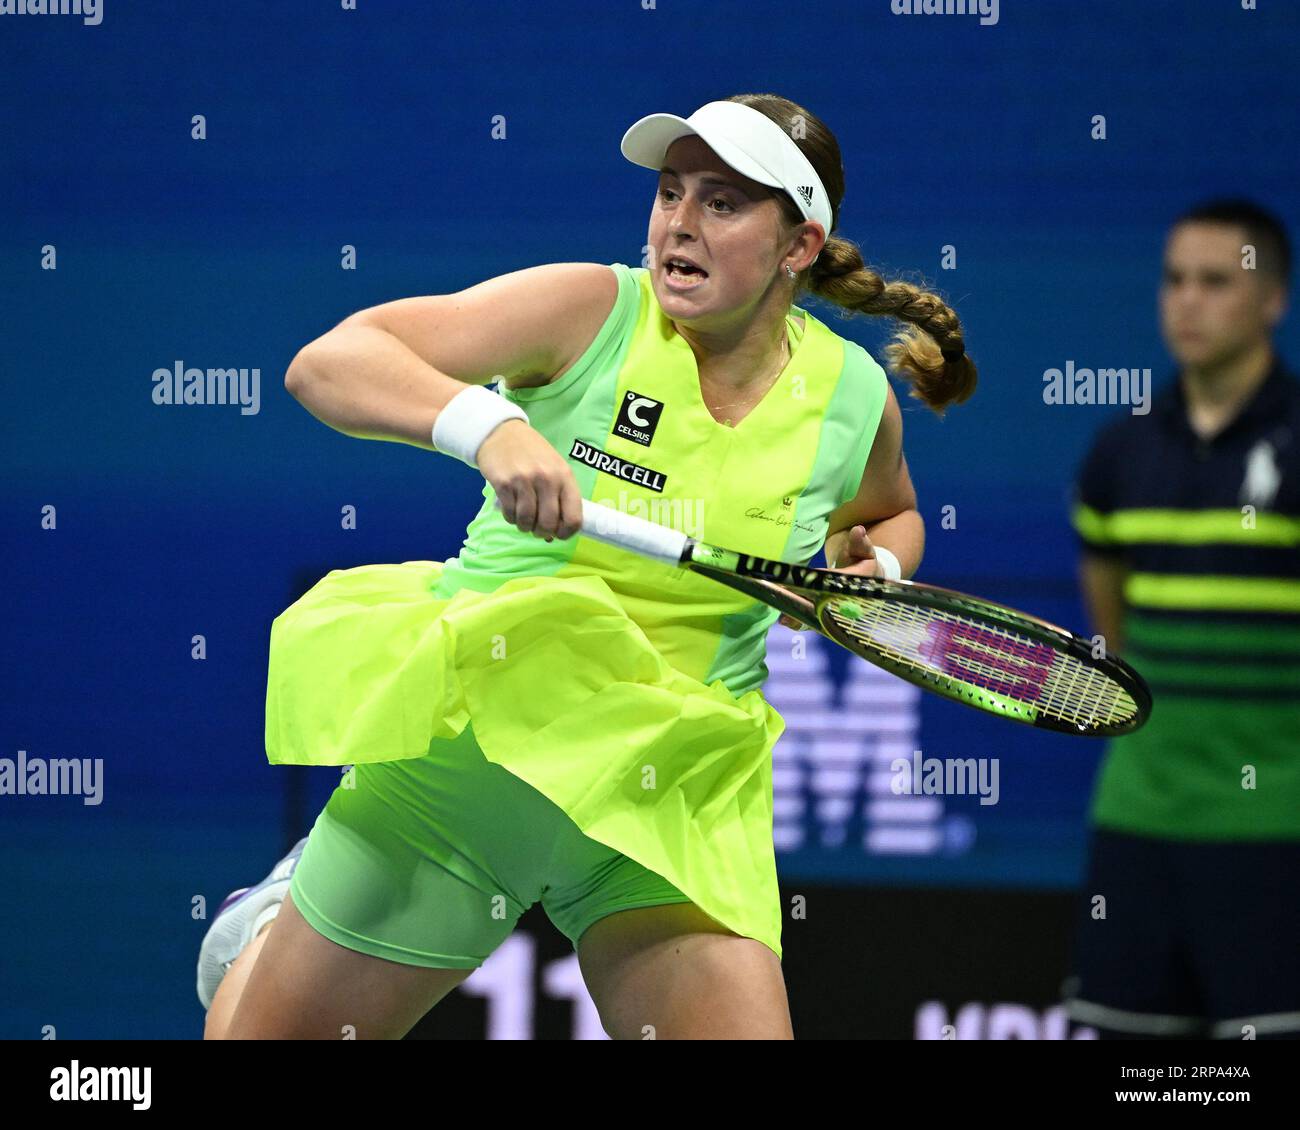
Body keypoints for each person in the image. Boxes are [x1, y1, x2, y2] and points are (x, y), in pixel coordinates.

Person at [200, 93, 976, 1040]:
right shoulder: (592, 311)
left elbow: (890, 513)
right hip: (476, 762)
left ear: (799, 244)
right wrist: (489, 427)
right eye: (670, 192)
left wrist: (872, 579)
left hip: (675, 795)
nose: (679, 224)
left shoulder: (851, 397)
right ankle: (274, 926)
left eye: (723, 203)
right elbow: (332, 361)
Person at [1064, 199, 1299, 1039]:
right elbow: (1114, 629)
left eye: (1214, 281)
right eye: (1173, 281)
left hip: (1276, 829)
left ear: (1272, 298)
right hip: (1138, 825)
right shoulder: (1119, 454)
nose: (1187, 301)